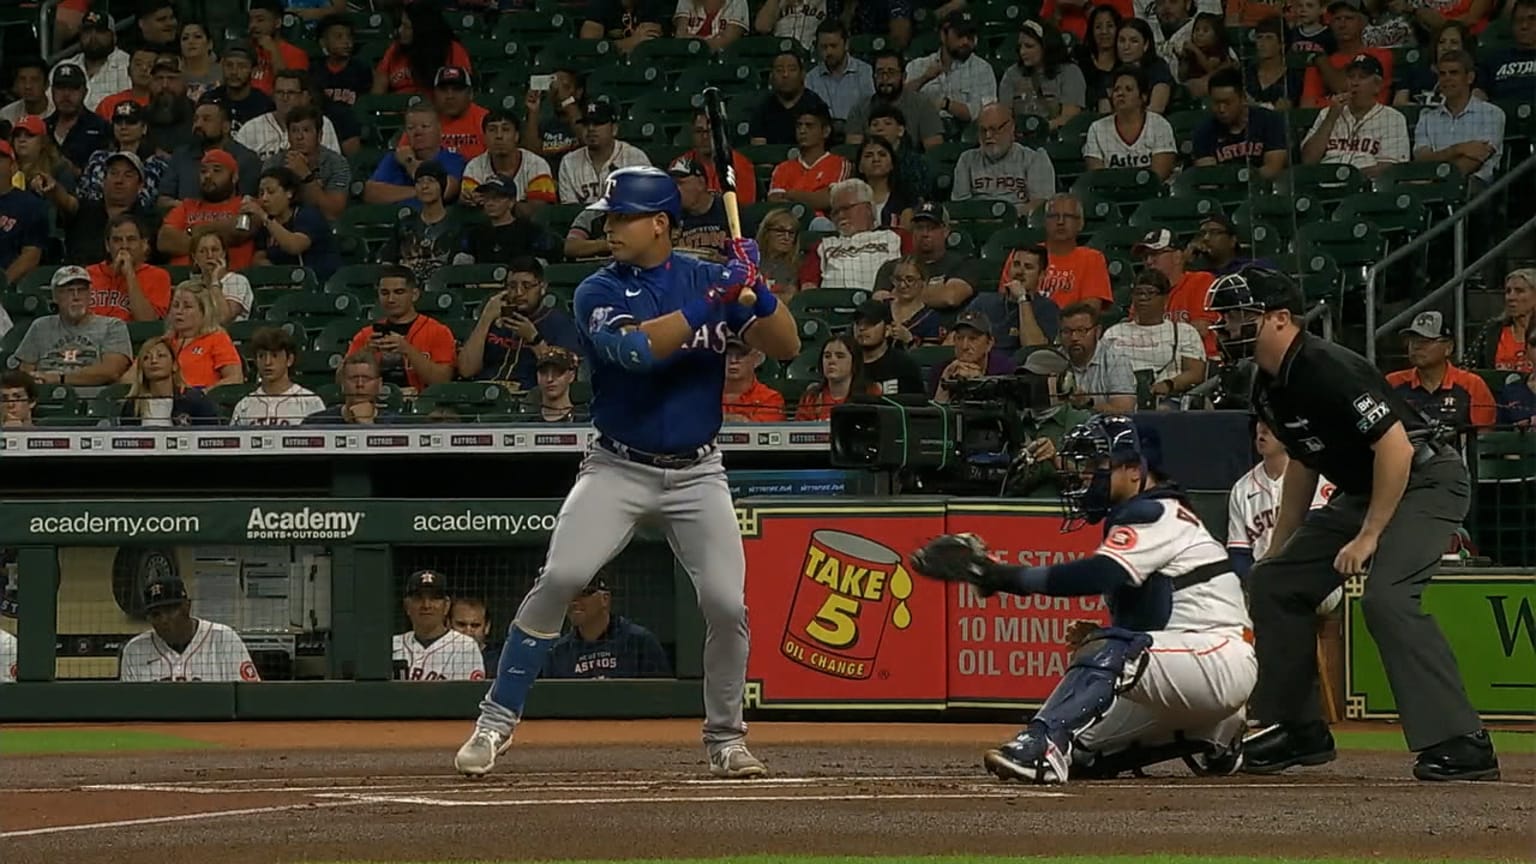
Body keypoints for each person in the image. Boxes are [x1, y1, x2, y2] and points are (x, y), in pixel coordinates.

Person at [453, 166, 800, 779]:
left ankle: (726, 739)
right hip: (619, 465)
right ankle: (495, 721)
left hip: (698, 472)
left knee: (725, 604)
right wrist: (714, 300)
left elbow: (788, 346)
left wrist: (758, 292)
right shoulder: (597, 289)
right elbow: (636, 352)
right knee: (562, 576)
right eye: (608, 218)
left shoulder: (708, 278)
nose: (608, 228)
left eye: (621, 218)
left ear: (660, 223)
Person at [1206, 265, 1500, 781]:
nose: (1228, 327)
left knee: (1388, 598)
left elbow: (1395, 447)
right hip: (1365, 489)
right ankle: (1299, 729)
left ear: (1279, 318)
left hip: (1425, 478)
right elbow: (1302, 459)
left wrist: (1369, 536)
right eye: (1227, 317)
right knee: (1276, 581)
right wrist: (1281, 545)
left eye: (1239, 316)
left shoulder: (1327, 366)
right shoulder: (1266, 382)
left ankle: (1462, 740)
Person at [908, 414, 1252, 784]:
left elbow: (1100, 573)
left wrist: (1001, 576)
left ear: (1134, 470)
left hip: (1218, 658)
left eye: (1098, 465)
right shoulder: (1140, 515)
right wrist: (1114, 636)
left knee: (1109, 650)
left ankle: (1042, 743)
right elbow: (1153, 615)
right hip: (1188, 670)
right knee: (1083, 753)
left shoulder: (1158, 512)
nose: (1087, 475)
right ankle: (1214, 732)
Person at [1226, 419, 1338, 594]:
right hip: (1264, 579)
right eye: (1260, 423)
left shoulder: (1317, 479)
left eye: (1270, 424)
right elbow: (1239, 552)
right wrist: (1253, 581)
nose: (1262, 430)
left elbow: (1318, 540)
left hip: (1313, 575)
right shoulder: (1242, 488)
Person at [458, 258, 581, 388]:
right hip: (484, 393)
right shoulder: (493, 319)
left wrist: (534, 340)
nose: (519, 293)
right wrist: (486, 318)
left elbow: (560, 376)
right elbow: (466, 371)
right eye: (512, 286)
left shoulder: (559, 323)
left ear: (542, 287)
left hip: (529, 399)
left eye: (527, 286)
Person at [118, 578, 258, 682]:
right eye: (156, 614)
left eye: (170, 610)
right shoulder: (135, 650)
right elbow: (128, 708)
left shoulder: (224, 639)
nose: (164, 620)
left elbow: (250, 697)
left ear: (187, 607)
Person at [13, 266, 133, 387]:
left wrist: (59, 378)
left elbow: (111, 372)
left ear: (90, 295)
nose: (76, 297)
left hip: (92, 397)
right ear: (55, 296)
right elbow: (25, 371)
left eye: (81, 290)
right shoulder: (40, 326)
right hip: (45, 394)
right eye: (69, 291)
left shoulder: (113, 326)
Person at [1385, 311, 1497, 437]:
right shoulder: (1392, 383)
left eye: (1425, 341)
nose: (1416, 347)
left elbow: (1484, 440)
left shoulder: (1471, 385)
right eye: (1412, 341)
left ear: (1448, 348)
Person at [347, 266, 457, 391]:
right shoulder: (366, 335)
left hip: (423, 404)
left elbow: (442, 380)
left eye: (399, 292)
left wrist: (407, 350)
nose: (391, 299)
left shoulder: (438, 332)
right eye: (385, 293)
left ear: (414, 295)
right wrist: (365, 353)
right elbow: (341, 380)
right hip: (375, 404)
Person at [1299, 54, 1409, 178]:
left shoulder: (1392, 118)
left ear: (1377, 86)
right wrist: (1331, 118)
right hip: (1324, 184)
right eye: (1351, 77)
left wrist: (1349, 178)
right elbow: (1308, 160)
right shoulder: (1327, 113)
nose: (1354, 83)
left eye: (1362, 77)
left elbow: (1390, 167)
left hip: (1367, 189)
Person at [542, 575, 672, 678]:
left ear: (605, 599)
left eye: (584, 593)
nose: (575, 601)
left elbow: (662, 699)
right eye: (569, 594)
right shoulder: (558, 653)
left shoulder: (639, 642)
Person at [1411, 51, 1505, 192]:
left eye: (1454, 73)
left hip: (1476, 188)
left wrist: (1439, 175)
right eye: (1442, 74)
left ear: (1470, 78)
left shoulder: (1492, 114)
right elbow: (1422, 160)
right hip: (1431, 186)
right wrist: (1458, 149)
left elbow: (1474, 160)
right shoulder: (1427, 117)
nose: (1447, 79)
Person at [795, 179, 908, 291]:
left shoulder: (897, 237)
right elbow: (808, 284)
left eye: (846, 208)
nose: (841, 215)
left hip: (883, 305)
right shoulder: (823, 245)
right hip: (832, 306)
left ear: (868, 209)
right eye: (835, 212)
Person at [157, 149, 256, 269]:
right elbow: (165, 241)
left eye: (217, 170)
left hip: (231, 280)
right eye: (203, 171)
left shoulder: (245, 204)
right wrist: (218, 238)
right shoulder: (186, 206)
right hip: (185, 282)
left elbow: (239, 231)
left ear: (234, 177)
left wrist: (194, 230)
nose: (208, 175)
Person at [951, 103, 1056, 214]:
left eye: (994, 129)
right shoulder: (966, 160)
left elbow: (1040, 205)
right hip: (978, 222)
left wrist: (1005, 216)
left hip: (1019, 223)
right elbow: (960, 206)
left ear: (1011, 128)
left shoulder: (1034, 158)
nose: (988, 136)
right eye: (983, 130)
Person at [160, 98, 263, 209]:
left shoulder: (246, 159)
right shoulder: (181, 156)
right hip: (185, 221)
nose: (198, 124)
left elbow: (248, 204)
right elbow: (163, 200)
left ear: (226, 127)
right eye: (195, 120)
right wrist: (187, 210)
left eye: (206, 119)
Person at [381, 161, 471, 285]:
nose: (424, 186)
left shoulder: (456, 226)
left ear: (442, 186)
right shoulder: (404, 225)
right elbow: (388, 261)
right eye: (419, 181)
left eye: (431, 181)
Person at [247, 166, 341, 283]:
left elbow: (294, 246)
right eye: (261, 193)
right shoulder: (266, 223)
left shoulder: (308, 215)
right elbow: (259, 257)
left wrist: (265, 218)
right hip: (284, 285)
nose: (264, 198)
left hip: (317, 283)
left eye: (271, 192)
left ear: (289, 193)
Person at [1133, 228, 1217, 355]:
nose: (1149, 261)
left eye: (1155, 254)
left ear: (1177, 256)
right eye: (1145, 256)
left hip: (1202, 361)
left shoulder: (1200, 281)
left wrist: (1154, 336)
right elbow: (1133, 335)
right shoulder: (1145, 291)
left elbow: (1200, 328)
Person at [904, 11, 997, 127]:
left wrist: (946, 104)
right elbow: (900, 102)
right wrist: (924, 78)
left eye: (970, 36)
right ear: (943, 35)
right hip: (924, 131)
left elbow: (985, 113)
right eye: (960, 35)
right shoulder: (918, 66)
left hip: (967, 134)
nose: (965, 42)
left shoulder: (983, 69)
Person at [1193, 68, 1289, 179]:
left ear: (1243, 99)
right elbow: (1209, 176)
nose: (1221, 109)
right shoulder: (1204, 131)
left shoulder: (1270, 121)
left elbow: (1273, 169)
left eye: (1227, 102)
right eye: (1216, 103)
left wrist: (1241, 180)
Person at [1084, 67, 1177, 181]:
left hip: (1151, 194)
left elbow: (1158, 176)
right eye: (1117, 89)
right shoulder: (1097, 129)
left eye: (1128, 89)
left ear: (1143, 96)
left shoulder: (1159, 125)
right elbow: (1098, 176)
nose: (1120, 94)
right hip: (1113, 194)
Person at [364, 105, 467, 208]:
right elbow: (370, 193)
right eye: (411, 128)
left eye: (425, 126)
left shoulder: (452, 159)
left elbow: (446, 191)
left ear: (439, 129)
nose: (418, 132)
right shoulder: (394, 158)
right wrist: (425, 192)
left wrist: (410, 162)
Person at [393, 569, 486, 682]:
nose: (426, 605)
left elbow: (468, 696)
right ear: (407, 606)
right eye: (419, 598)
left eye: (434, 598)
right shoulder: (393, 645)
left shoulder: (464, 646)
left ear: (446, 605)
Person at [845, 49, 945, 152]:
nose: (885, 78)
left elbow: (934, 152)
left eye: (891, 72)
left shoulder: (922, 105)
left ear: (904, 76)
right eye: (880, 73)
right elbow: (854, 152)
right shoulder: (859, 109)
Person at [260, 104, 349, 220]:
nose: (299, 137)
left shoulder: (336, 163)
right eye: (294, 131)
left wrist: (306, 176)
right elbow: (266, 207)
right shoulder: (273, 164)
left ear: (320, 135)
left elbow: (333, 213)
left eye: (306, 130)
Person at [234, 69, 343, 160]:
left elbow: (334, 164)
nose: (285, 98)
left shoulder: (322, 123)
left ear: (303, 96)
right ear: (273, 96)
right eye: (280, 92)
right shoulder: (251, 128)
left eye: (291, 93)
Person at [998, 19, 1086, 131]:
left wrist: (1039, 130)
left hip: (1054, 137)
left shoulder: (1070, 72)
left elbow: (1069, 118)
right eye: (1020, 46)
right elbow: (1004, 118)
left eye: (1029, 46)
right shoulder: (1012, 74)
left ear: (1046, 46)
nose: (1022, 52)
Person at [967, 245, 1058, 352]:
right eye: (1016, 265)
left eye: (1028, 267)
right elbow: (956, 340)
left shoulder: (1048, 308)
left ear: (1042, 275)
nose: (1020, 272)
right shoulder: (983, 302)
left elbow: (1033, 349)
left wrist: (1022, 298)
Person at [558, 102, 651, 205]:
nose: (591, 129)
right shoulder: (569, 163)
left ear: (614, 129)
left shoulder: (635, 159)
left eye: (598, 123)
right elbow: (569, 211)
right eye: (586, 124)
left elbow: (645, 203)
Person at [462, 109, 556, 210]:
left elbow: (538, 211)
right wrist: (469, 200)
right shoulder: (474, 166)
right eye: (492, 130)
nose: (499, 136)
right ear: (484, 137)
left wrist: (496, 204)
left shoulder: (537, 164)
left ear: (516, 136)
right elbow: (468, 205)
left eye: (505, 129)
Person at [86, 213, 172, 322]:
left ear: (144, 244)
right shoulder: (88, 275)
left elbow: (147, 322)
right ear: (107, 245)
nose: (124, 246)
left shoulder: (158, 276)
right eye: (117, 240)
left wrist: (129, 274)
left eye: (131, 239)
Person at [231, 326, 326, 425]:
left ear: (289, 360)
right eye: (261, 356)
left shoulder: (310, 402)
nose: (267, 362)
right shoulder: (244, 406)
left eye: (275, 356)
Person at [119, 335, 221, 426]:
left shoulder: (195, 401)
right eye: (146, 358)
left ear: (174, 365)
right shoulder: (132, 406)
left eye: (161, 356)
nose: (154, 361)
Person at [373, 3, 472, 95]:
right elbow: (378, 93)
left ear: (422, 30)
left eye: (407, 27)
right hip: (397, 110)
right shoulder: (395, 49)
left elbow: (459, 93)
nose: (400, 30)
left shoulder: (452, 50)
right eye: (401, 25)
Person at [1038, 194, 1113, 313]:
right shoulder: (1025, 255)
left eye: (1068, 216)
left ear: (1080, 223)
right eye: (1054, 216)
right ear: (1045, 222)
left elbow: (1090, 309)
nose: (1060, 222)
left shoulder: (1092, 258)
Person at [767, 105, 849, 213]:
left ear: (825, 132)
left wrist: (791, 194)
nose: (802, 131)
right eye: (799, 126)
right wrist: (814, 196)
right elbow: (774, 204)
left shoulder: (839, 163)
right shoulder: (782, 168)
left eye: (809, 126)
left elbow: (830, 200)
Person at [1060, 301, 1138, 413]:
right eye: (1067, 332)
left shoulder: (1116, 360)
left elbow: (1124, 411)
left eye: (1081, 330)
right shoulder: (1053, 360)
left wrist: (1088, 404)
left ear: (1097, 332)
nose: (1074, 338)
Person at [165, 282, 244, 390]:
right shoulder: (164, 342)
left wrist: (205, 393)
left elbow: (235, 378)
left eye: (187, 306)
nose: (179, 311)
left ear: (204, 312)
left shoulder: (217, 338)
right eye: (175, 305)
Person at [932, 310, 1017, 402]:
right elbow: (936, 412)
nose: (964, 346)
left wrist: (979, 382)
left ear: (989, 343)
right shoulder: (941, 370)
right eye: (960, 338)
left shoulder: (1005, 371)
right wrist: (945, 382)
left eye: (973, 339)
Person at [750, 52, 831, 146]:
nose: (785, 75)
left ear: (803, 75)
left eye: (792, 69)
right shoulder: (762, 108)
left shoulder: (816, 105)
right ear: (771, 76)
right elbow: (760, 151)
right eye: (779, 70)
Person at [58, 11, 132, 114]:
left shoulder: (128, 65)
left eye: (100, 31)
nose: (93, 37)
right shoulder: (64, 66)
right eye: (87, 32)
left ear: (114, 37)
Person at [805, 21, 875, 126]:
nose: (829, 52)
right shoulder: (811, 78)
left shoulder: (865, 72)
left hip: (858, 134)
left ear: (846, 45)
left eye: (833, 46)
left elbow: (871, 113)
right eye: (824, 47)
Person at [303, 351, 400, 425]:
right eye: (353, 378)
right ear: (342, 384)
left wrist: (367, 424)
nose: (360, 384)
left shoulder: (396, 424)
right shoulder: (315, 423)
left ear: (379, 385)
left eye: (367, 378)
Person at [47, 64, 112, 172]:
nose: (66, 94)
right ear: (52, 91)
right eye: (61, 88)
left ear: (85, 92)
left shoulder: (102, 128)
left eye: (73, 88)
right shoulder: (41, 128)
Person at [0, 143, 48, 286]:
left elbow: (31, 255)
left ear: (13, 167)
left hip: (8, 289)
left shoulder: (30, 205)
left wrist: (3, 283)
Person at [851, 301, 924, 395]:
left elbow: (917, 403)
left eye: (870, 323)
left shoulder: (904, 366)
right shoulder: (845, 362)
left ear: (887, 330)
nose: (861, 328)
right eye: (858, 323)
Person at [1470, 269, 1535, 373]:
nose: (1511, 297)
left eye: (1519, 291)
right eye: (1508, 291)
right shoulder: (1492, 330)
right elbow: (1469, 369)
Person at [796, 334, 874, 419]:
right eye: (827, 356)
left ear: (854, 362)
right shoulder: (810, 398)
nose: (831, 361)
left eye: (840, 356)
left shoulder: (870, 395)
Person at [669, 157, 731, 260]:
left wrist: (726, 260)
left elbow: (748, 255)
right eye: (672, 184)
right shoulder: (670, 216)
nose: (674, 190)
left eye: (680, 183)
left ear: (701, 183)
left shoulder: (728, 210)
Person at [190, 226, 255, 323]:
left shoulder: (237, 280)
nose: (209, 255)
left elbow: (223, 318)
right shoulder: (191, 286)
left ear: (224, 253)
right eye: (203, 251)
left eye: (215, 250)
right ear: (194, 257)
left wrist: (215, 280)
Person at [204, 43, 276, 131]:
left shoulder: (265, 106)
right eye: (229, 65)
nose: (234, 72)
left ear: (254, 71)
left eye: (242, 66)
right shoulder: (209, 100)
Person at [721, 337, 785, 422]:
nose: (733, 360)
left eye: (742, 354)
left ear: (757, 358)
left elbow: (762, 432)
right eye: (727, 354)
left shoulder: (770, 398)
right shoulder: (702, 394)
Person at [432, 67, 489, 160]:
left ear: (470, 93)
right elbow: (404, 150)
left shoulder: (485, 120)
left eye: (457, 89)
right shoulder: (425, 119)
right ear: (435, 94)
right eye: (443, 90)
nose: (450, 96)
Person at [528, 347, 589, 423]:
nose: (549, 379)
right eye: (544, 372)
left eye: (558, 372)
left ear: (571, 376)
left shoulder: (586, 419)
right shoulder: (527, 420)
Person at [673, 0, 750, 52]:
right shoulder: (686, 1)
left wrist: (695, 42)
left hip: (720, 61)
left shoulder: (737, 2)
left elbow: (727, 42)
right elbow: (680, 36)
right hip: (687, 57)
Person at [177, 21, 221, 103]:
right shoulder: (175, 76)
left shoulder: (222, 72)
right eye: (185, 38)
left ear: (210, 44)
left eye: (197, 37)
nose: (191, 42)